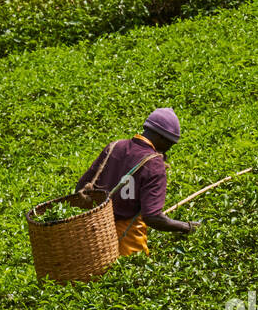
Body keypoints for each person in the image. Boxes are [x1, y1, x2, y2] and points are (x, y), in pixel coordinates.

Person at [74, 107, 200, 256]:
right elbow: (152, 217)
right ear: (161, 138)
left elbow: (80, 188)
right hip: (126, 239)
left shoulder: (115, 146)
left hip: (93, 233)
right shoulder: (154, 164)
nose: (168, 150)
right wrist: (186, 227)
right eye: (170, 144)